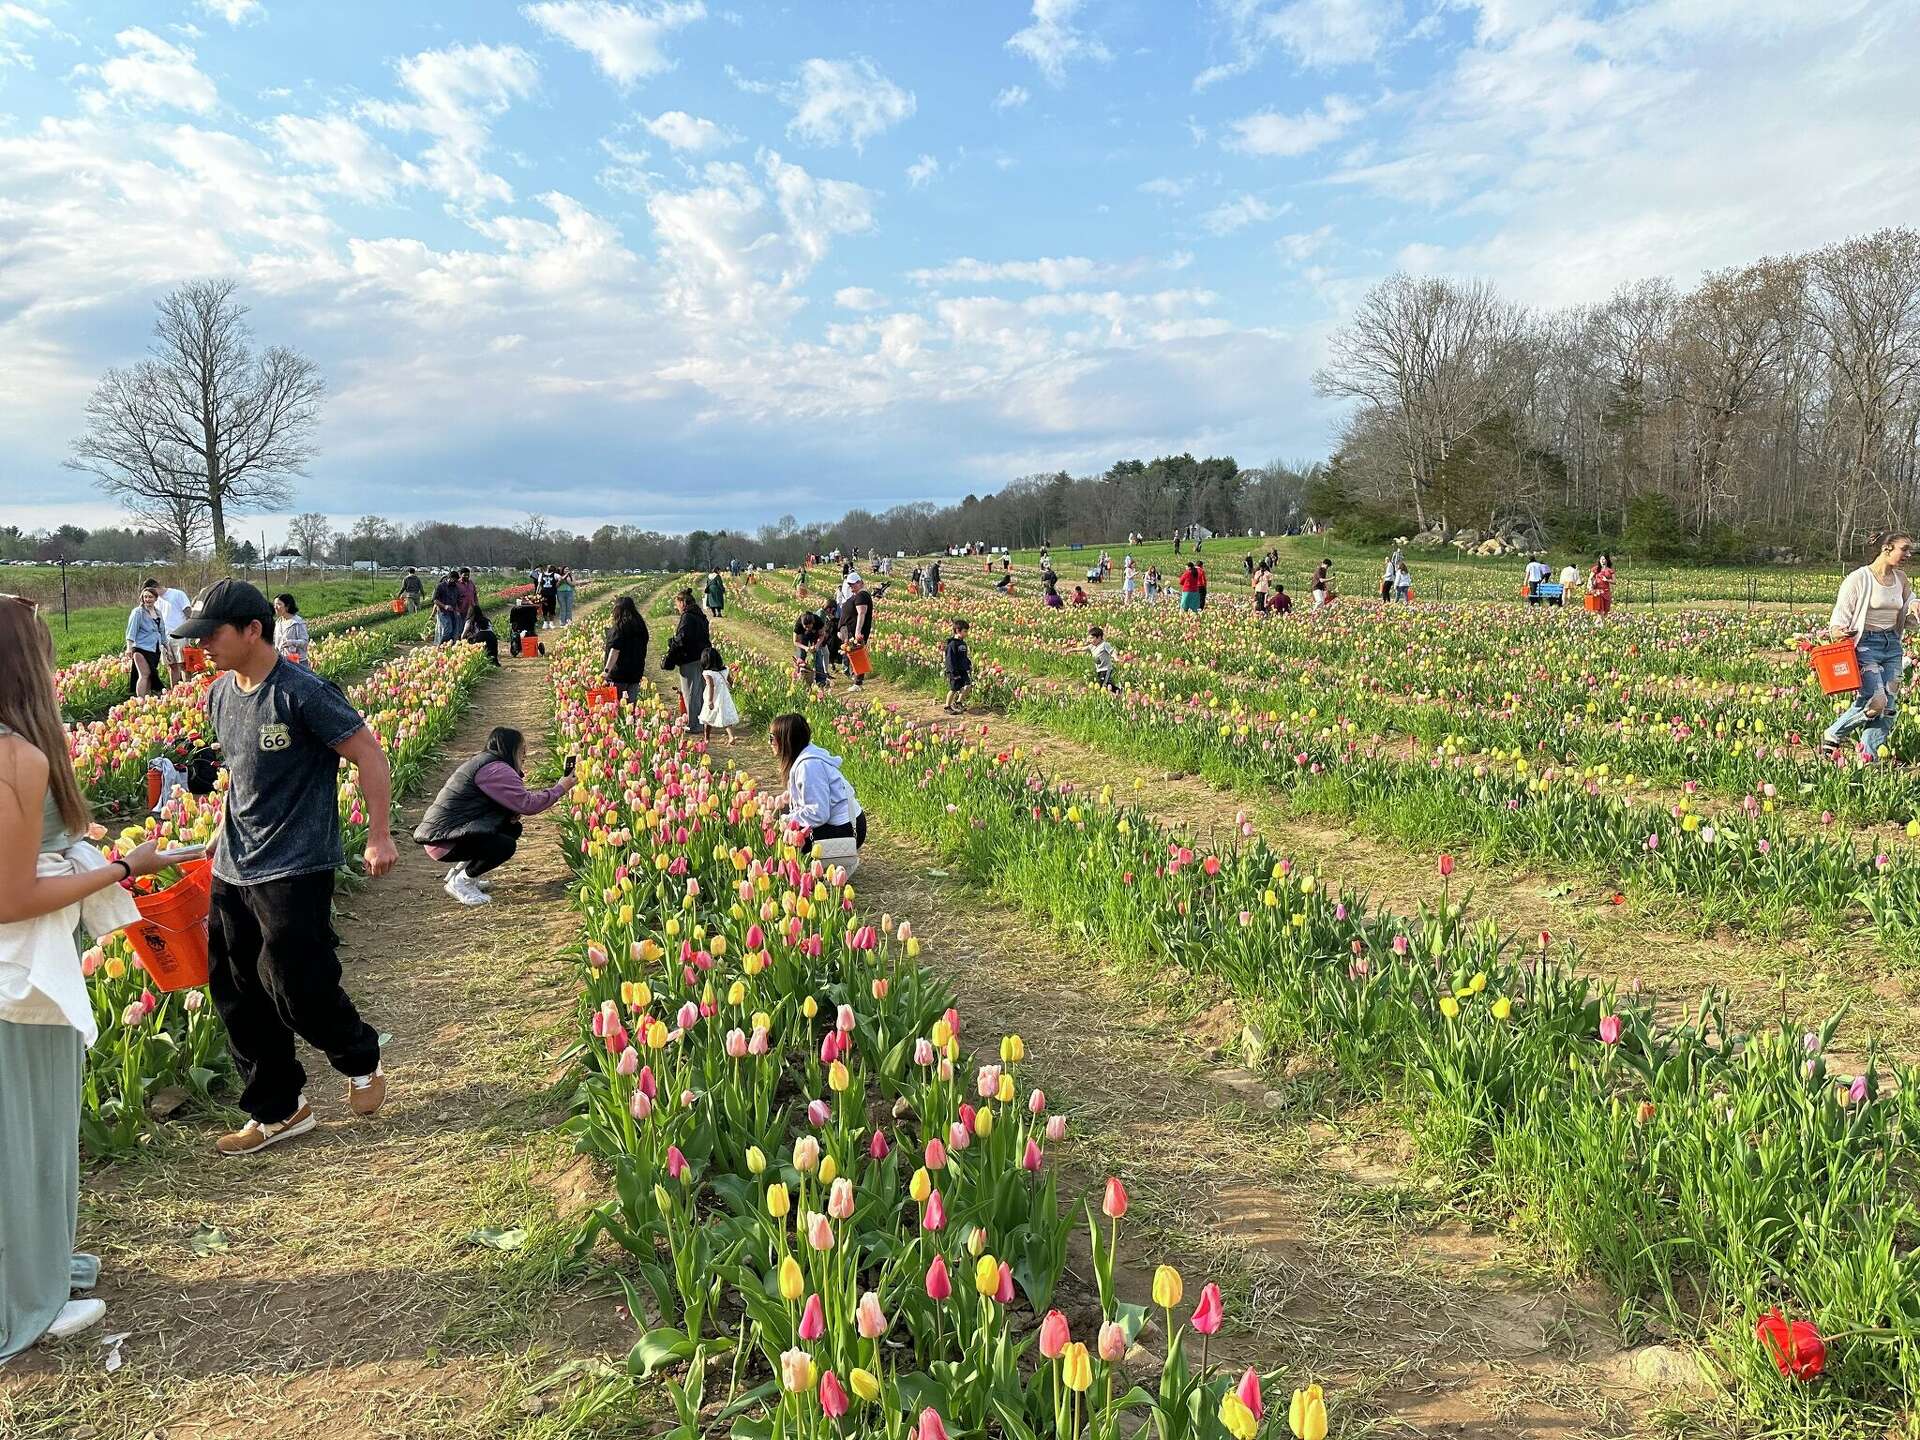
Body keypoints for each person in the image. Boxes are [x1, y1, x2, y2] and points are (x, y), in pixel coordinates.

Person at [169, 580, 392, 1156]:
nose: (202, 648)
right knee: (237, 990)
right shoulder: (219, 693)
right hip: (233, 864)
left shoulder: (302, 692)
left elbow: (368, 751)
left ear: (252, 630)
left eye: (211, 636)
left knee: (295, 986)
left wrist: (379, 834)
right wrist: (219, 836)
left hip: (296, 862)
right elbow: (241, 779)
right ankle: (279, 1109)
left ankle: (358, 1056)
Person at [0, 594, 164, 1357]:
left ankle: (38, 1270)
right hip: (17, 978)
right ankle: (19, 1306)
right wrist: (128, 865)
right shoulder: (16, 757)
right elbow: (11, 898)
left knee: (29, 1132)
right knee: (22, 1137)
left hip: (22, 972)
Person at [413, 726, 572, 906]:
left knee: (510, 828)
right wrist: (561, 788)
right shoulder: (496, 769)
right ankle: (461, 883)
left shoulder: (485, 762)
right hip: (444, 841)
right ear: (510, 748)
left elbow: (483, 803)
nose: (525, 755)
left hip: (444, 834)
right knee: (504, 845)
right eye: (522, 749)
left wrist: (508, 813)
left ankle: (463, 873)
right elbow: (528, 804)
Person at [1821, 532, 1920, 762]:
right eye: (1904, 549)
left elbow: (1910, 602)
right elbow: (1838, 619)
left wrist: (1915, 605)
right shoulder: (1859, 579)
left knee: (1889, 706)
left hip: (1892, 645)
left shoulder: (1901, 579)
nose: (1908, 554)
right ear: (1886, 548)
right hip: (1866, 645)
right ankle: (1835, 732)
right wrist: (1838, 632)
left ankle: (1868, 758)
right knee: (1876, 700)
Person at [770, 712, 865, 870]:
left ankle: (790, 872)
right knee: (780, 816)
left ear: (786, 739)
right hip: (842, 824)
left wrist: (787, 820)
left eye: (772, 737)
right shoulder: (806, 757)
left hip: (847, 829)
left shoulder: (809, 767)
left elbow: (819, 814)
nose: (770, 742)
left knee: (786, 833)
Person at [662, 589, 713, 733]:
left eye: (677, 604)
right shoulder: (700, 616)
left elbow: (682, 639)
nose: (676, 607)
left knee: (690, 692)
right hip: (703, 658)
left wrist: (671, 645)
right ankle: (702, 721)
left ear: (683, 603)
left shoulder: (687, 617)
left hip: (689, 658)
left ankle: (693, 724)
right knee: (700, 691)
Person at [602, 596, 649, 704]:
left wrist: (606, 671)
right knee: (631, 705)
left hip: (619, 675)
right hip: (636, 672)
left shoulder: (619, 628)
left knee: (617, 706)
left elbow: (615, 651)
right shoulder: (641, 626)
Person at [125, 584, 166, 697]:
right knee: (144, 674)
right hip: (141, 648)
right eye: (145, 597)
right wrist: (129, 648)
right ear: (142, 598)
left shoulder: (158, 613)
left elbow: (162, 631)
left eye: (150, 597)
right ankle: (140, 700)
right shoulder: (138, 612)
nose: (147, 599)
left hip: (154, 648)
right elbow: (131, 631)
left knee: (149, 675)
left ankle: (147, 698)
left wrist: (166, 647)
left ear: (156, 598)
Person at [150, 580, 191, 685]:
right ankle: (175, 691)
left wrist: (191, 632)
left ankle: (188, 689)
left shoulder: (177, 594)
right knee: (171, 667)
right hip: (164, 639)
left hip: (180, 635)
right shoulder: (156, 601)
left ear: (156, 587)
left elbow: (188, 612)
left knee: (184, 666)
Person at [838, 574, 874, 689]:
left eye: (854, 584)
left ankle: (858, 683)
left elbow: (861, 613)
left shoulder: (862, 595)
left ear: (861, 582)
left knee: (857, 654)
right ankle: (856, 680)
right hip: (849, 630)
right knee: (853, 655)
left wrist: (858, 631)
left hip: (854, 631)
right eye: (850, 584)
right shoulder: (857, 595)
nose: (851, 586)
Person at [699, 644, 740, 744]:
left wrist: (709, 700)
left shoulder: (707, 673)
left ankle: (707, 738)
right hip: (724, 696)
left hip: (713, 697)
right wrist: (732, 684)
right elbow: (730, 681)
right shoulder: (724, 670)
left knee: (707, 718)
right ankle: (731, 736)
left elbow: (711, 686)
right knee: (725, 716)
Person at [943, 617, 972, 714]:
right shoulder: (952, 644)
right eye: (965, 631)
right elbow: (950, 659)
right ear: (957, 631)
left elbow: (963, 656)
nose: (966, 633)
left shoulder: (963, 643)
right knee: (954, 689)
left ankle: (958, 702)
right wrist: (953, 672)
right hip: (954, 670)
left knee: (968, 686)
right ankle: (947, 706)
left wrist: (968, 663)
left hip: (963, 670)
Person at [273, 593, 310, 667]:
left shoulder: (297, 622)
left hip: (298, 663)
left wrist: (292, 642)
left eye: (279, 604)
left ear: (287, 606)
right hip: (282, 662)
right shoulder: (278, 623)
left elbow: (305, 642)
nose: (275, 607)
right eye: (274, 605)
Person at [431, 571, 461, 644]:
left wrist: (457, 610)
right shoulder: (440, 586)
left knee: (455, 629)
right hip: (443, 612)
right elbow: (434, 600)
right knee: (448, 628)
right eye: (454, 580)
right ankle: (442, 644)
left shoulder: (455, 588)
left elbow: (457, 600)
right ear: (449, 578)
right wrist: (444, 606)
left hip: (452, 611)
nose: (455, 582)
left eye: (456, 581)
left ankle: (450, 645)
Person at [1087, 625, 1118, 693]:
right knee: (1105, 683)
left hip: (1106, 669)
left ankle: (1117, 691)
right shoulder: (1092, 646)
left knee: (1103, 684)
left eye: (1092, 638)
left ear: (1099, 637)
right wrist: (1070, 650)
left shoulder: (1104, 644)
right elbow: (1081, 648)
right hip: (1099, 669)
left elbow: (1112, 652)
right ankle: (1117, 691)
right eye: (1089, 638)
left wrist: (1115, 658)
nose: (1090, 640)